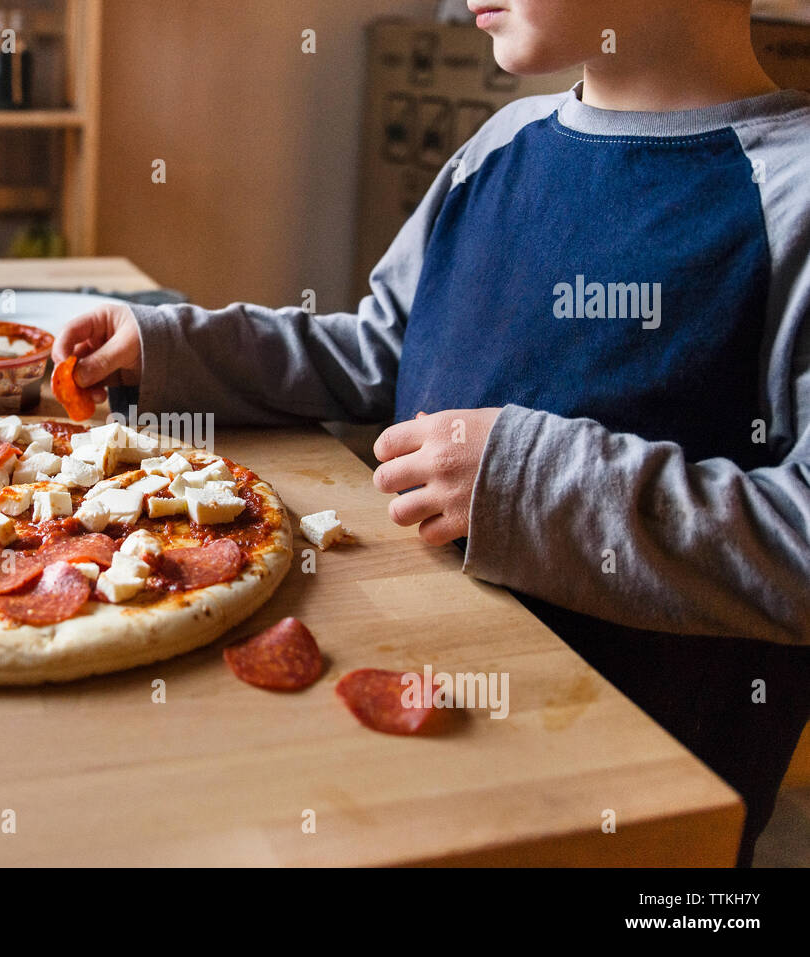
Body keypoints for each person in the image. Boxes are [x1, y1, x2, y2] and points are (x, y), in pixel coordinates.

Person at [52, 0, 810, 866]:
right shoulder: (495, 149)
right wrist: (176, 349)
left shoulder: (793, 193)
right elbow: (386, 349)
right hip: (412, 752)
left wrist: (533, 485)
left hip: (623, 820)